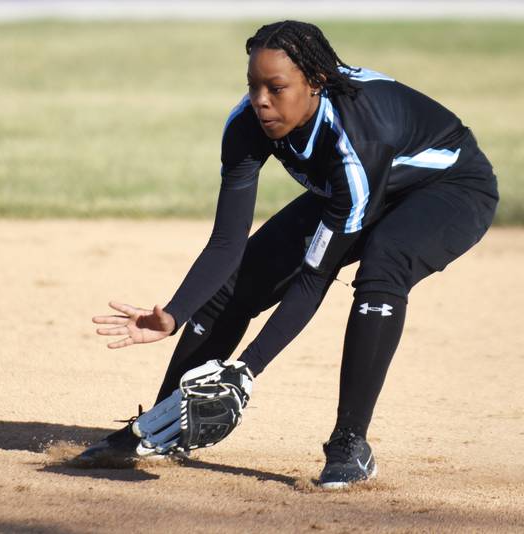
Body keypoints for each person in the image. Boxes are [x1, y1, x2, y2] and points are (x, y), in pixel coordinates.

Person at [77, 20, 498, 489]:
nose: (261, 100)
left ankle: (349, 445)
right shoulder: (246, 125)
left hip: (449, 189)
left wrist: (247, 369)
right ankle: (163, 425)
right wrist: (175, 313)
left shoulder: (357, 137)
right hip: (355, 187)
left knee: (384, 264)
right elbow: (226, 244)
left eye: (275, 87)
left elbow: (314, 278)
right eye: (253, 86)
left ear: (314, 83)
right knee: (237, 284)